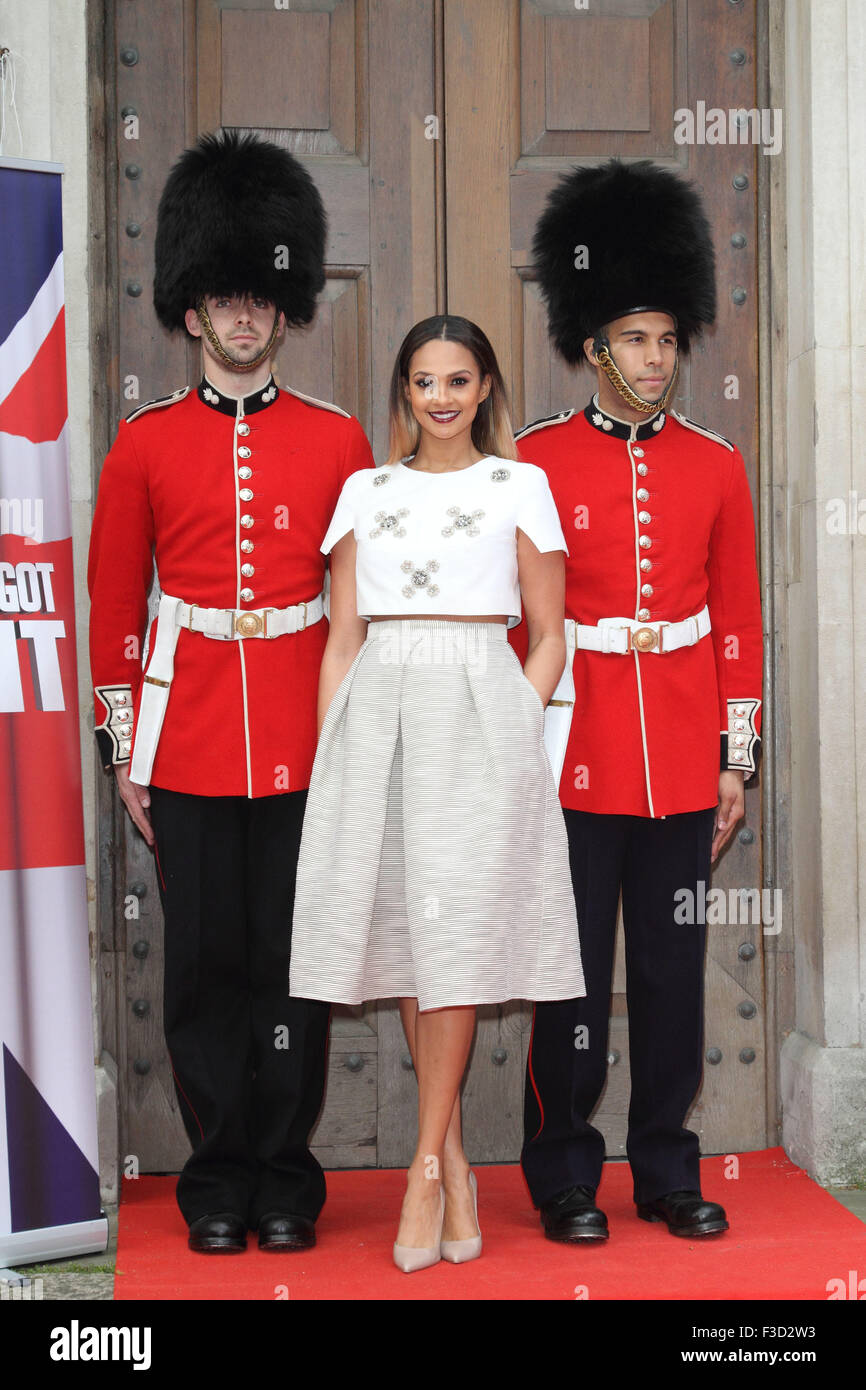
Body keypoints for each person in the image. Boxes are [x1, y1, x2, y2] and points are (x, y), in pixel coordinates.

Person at [87, 131, 374, 1254]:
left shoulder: (338, 439)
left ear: (286, 307)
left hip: (308, 739)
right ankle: (215, 1175)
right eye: (224, 300)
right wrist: (124, 750)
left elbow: (357, 608)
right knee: (205, 965)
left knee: (293, 967)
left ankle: (286, 1172)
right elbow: (117, 611)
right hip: (189, 735)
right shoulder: (142, 446)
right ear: (192, 312)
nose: (245, 319)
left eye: (262, 297)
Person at [289, 315, 585, 1271]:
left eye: (460, 379)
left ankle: (420, 1166)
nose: (443, 396)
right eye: (424, 381)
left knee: (453, 939)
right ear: (404, 393)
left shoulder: (521, 486)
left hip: (478, 715)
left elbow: (550, 633)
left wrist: (509, 718)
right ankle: (454, 1161)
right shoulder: (363, 492)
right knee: (412, 944)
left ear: (487, 386)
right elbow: (340, 638)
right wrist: (335, 752)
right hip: (378, 716)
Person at [512, 159, 763, 1242]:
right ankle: (563, 1169)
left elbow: (738, 623)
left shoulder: (715, 465)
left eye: (666, 339)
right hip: (569, 753)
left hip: (675, 751)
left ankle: (664, 1165)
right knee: (566, 979)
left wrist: (733, 759)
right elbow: (514, 627)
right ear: (589, 346)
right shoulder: (529, 463)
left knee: (669, 977)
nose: (654, 360)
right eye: (632, 339)